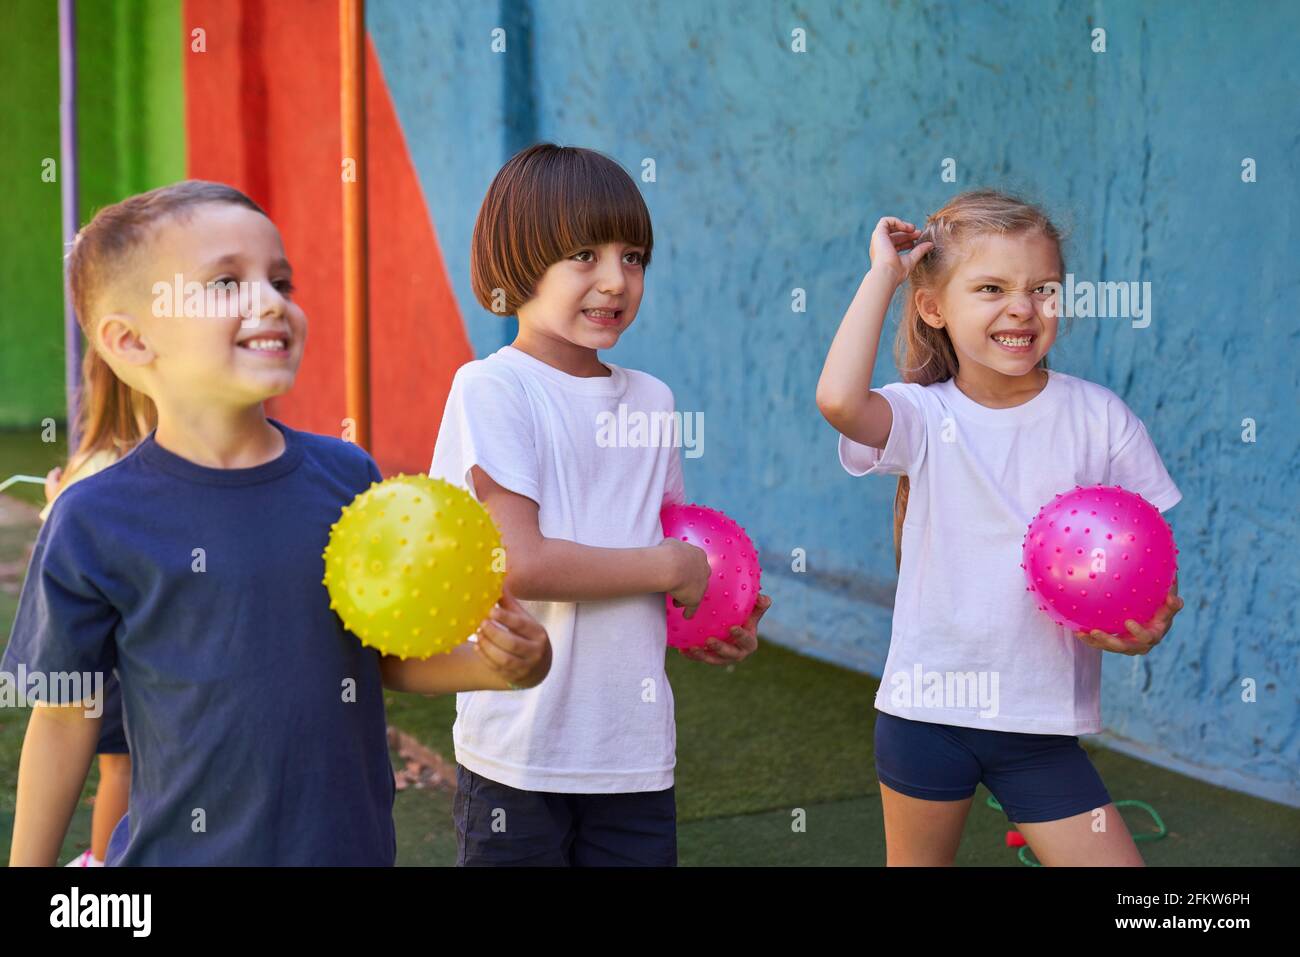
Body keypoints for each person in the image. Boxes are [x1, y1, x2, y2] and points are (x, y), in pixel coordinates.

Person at [4, 180, 550, 866]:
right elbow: (61, 719)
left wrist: (503, 668)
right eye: (227, 281)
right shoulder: (94, 518)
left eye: (281, 280)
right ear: (133, 339)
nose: (271, 301)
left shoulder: (348, 478)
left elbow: (375, 656)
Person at [816, 189, 1185, 866]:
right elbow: (839, 399)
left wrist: (1148, 625)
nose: (1023, 308)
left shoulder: (1099, 417)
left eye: (1043, 288)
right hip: (925, 717)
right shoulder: (921, 417)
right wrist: (883, 276)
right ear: (934, 307)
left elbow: (1152, 560)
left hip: (1039, 729)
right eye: (991, 288)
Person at [430, 143, 772, 866]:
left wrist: (711, 616)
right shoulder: (493, 389)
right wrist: (670, 566)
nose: (616, 279)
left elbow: (673, 554)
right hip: (519, 751)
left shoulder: (653, 400)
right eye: (584, 254)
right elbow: (521, 561)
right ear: (516, 263)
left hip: (633, 751)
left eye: (635, 256)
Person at [40, 364, 154, 866]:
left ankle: (104, 862)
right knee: (126, 768)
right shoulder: (149, 461)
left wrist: (56, 499)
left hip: (102, 653)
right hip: (136, 651)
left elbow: (61, 542)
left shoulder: (91, 461)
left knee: (119, 769)